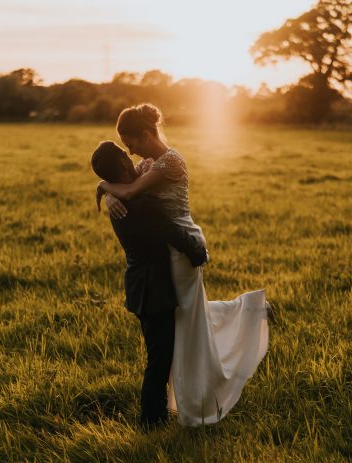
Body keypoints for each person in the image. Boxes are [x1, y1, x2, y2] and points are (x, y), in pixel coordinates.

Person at [96, 104, 269, 426]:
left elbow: (132, 191)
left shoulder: (169, 162)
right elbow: (131, 193)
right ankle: (243, 313)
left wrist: (104, 188)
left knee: (188, 320)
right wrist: (109, 196)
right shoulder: (148, 163)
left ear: (147, 134)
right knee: (188, 317)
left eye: (132, 143)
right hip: (172, 244)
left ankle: (197, 398)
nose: (131, 153)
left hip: (182, 244)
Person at [90, 140, 208, 431]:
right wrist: (199, 253)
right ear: (120, 165)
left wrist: (106, 189)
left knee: (159, 354)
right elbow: (174, 235)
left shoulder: (122, 201)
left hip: (139, 286)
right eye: (124, 154)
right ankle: (150, 421)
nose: (132, 157)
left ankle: (156, 415)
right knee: (159, 358)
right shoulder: (143, 204)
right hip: (154, 290)